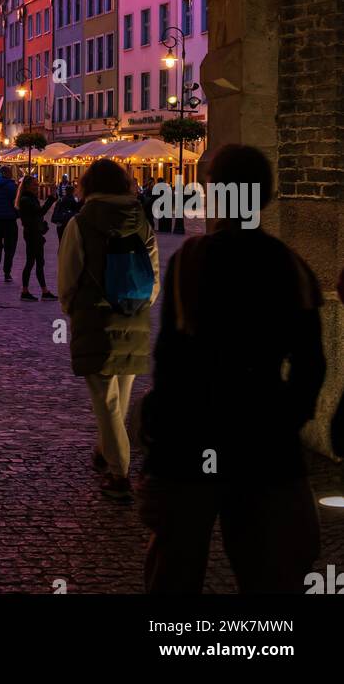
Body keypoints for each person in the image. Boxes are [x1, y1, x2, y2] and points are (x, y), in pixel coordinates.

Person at [138, 144, 325, 593]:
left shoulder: (190, 262)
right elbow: (310, 364)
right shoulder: (290, 266)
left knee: (176, 569)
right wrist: (286, 419)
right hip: (263, 437)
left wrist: (158, 431)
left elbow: (170, 359)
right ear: (267, 197)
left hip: (191, 434)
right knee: (269, 571)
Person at [58, 158, 159, 502]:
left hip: (96, 319)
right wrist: (140, 305)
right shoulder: (141, 220)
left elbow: (69, 275)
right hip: (134, 315)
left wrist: (71, 307)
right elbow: (154, 273)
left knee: (107, 401)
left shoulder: (81, 222)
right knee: (120, 394)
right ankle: (105, 450)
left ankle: (120, 476)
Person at [16, 174, 57, 302]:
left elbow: (37, 215)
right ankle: (26, 291)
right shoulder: (26, 199)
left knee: (39, 262)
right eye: (34, 184)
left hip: (35, 233)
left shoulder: (30, 198)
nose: (37, 186)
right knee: (31, 262)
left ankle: (43, 291)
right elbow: (40, 212)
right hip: (32, 234)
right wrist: (51, 199)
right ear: (27, 186)